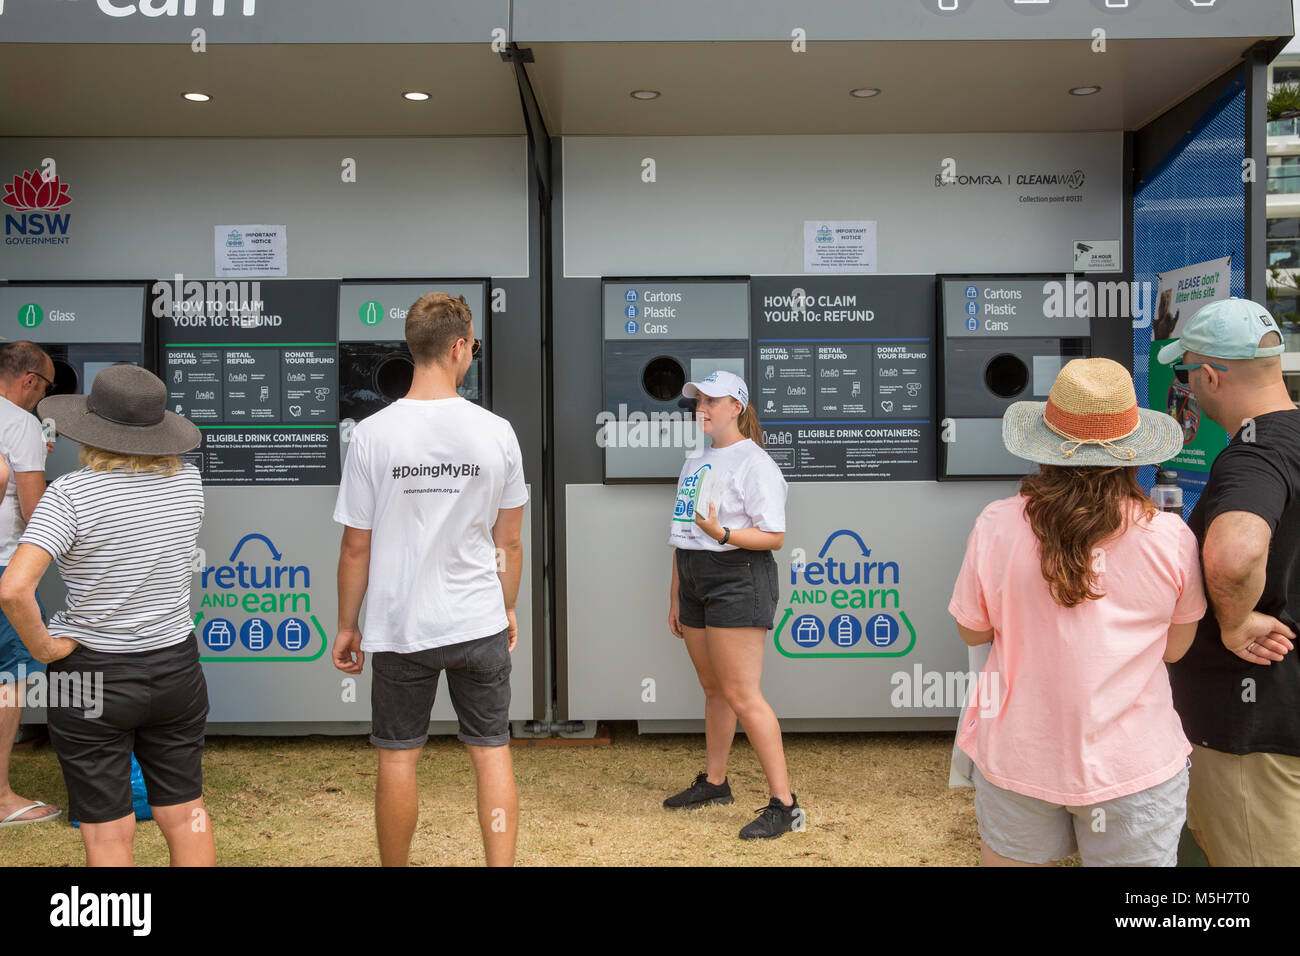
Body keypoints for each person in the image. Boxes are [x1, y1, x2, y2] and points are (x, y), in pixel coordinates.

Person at [949, 358, 1205, 866]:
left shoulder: (997, 525)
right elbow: (1175, 649)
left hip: (1020, 755)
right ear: (1133, 453)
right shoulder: (1170, 536)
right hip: (1134, 766)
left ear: (1045, 446)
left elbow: (972, 632)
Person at [332, 291, 526, 867]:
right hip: (477, 618)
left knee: (398, 758)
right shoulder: (497, 432)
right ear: (460, 346)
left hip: (399, 624)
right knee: (491, 753)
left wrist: (347, 625)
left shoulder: (372, 434)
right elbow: (508, 542)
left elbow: (355, 544)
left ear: (413, 348)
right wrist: (508, 606)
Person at [0, 364, 213, 865]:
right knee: (187, 814)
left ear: (91, 428)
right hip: (175, 667)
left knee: (108, 832)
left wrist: (46, 649)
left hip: (87, 672)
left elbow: (13, 589)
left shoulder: (70, 495)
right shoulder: (190, 483)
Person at [1157, 297, 1299, 866]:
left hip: (1252, 719)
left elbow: (1235, 552)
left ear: (1210, 375)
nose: (1188, 384)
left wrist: (1236, 621)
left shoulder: (1251, 454)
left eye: (1187, 372)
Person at [665, 370, 799, 839]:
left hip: (738, 576)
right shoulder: (695, 461)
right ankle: (716, 783)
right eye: (697, 401)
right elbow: (684, 533)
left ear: (736, 407)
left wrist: (721, 534)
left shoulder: (755, 463)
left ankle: (784, 805)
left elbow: (775, 536)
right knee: (713, 688)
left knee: (743, 695)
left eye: (710, 401)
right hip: (695, 578)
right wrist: (676, 594)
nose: (700, 408)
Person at [0, 341, 58, 828]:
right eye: (47, 387)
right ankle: (1, 799)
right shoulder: (19, 423)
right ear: (29, 381)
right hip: (4, 563)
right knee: (9, 678)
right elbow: (34, 513)